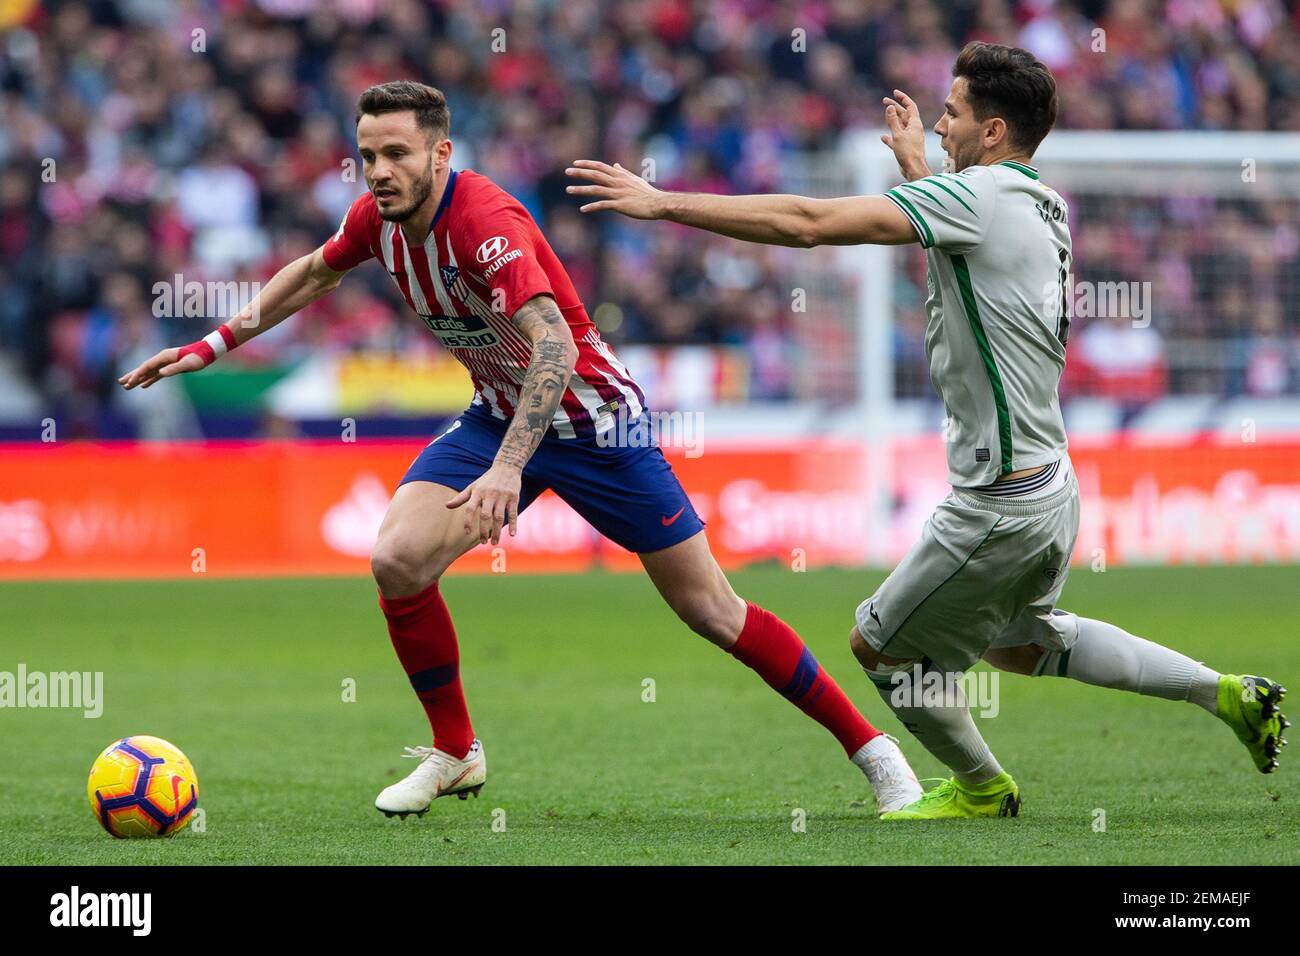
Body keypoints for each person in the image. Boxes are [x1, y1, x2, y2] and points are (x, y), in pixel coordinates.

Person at [118, 80, 921, 819]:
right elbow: (314, 273)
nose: (379, 171)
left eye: (396, 154)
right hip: (499, 415)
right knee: (397, 560)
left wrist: (508, 470)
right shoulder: (376, 220)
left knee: (709, 609)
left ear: (441, 153)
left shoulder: (485, 223)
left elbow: (554, 351)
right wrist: (214, 343)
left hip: (598, 425)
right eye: (366, 155)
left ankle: (874, 750)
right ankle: (455, 750)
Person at [566, 42, 1288, 820]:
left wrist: (665, 203)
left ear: (993, 131)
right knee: (1026, 642)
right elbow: (957, 238)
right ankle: (1224, 694)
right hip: (1050, 484)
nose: (939, 126)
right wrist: (919, 166)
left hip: (998, 503)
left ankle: (983, 788)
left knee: (880, 647)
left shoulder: (977, 200)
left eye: (952, 114)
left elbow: (809, 223)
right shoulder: (1035, 204)